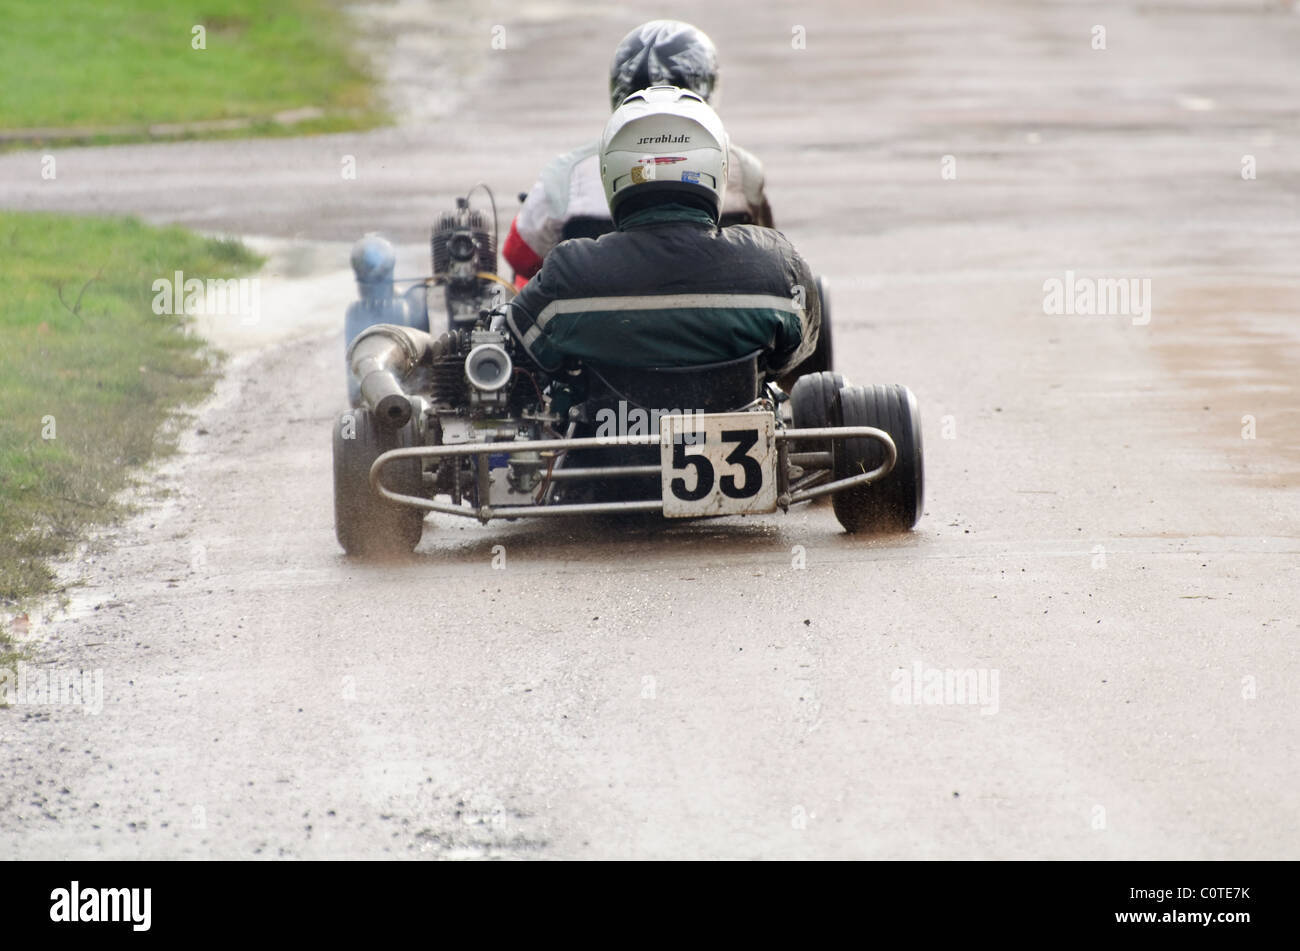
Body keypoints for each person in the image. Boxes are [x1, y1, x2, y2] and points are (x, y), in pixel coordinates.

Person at [505, 85, 818, 381]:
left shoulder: (569, 272)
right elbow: (793, 353)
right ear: (718, 168)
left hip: (605, 431)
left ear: (611, 172)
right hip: (741, 425)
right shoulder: (776, 267)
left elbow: (522, 349)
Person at [501, 20, 773, 286]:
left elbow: (521, 257)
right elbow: (762, 248)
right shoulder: (744, 170)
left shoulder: (566, 175)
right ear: (706, 87)